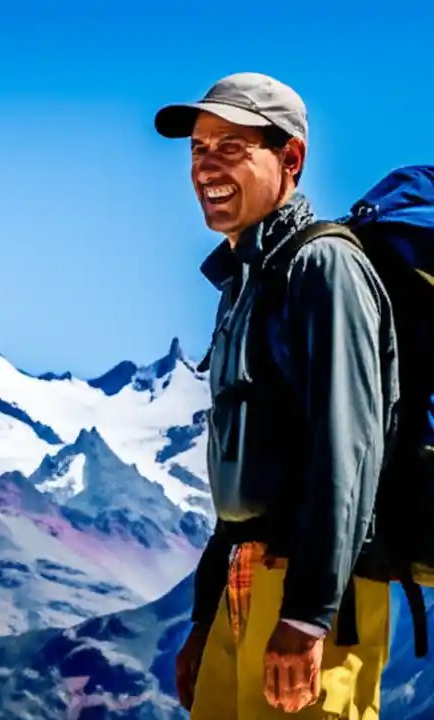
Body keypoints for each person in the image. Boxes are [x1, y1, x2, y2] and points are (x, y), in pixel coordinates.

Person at [156, 73, 401, 718]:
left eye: (230, 147)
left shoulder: (325, 267)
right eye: (197, 148)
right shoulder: (245, 279)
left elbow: (348, 449)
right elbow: (243, 472)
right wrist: (205, 619)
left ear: (289, 158)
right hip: (244, 582)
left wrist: (310, 616)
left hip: (312, 593)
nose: (205, 164)